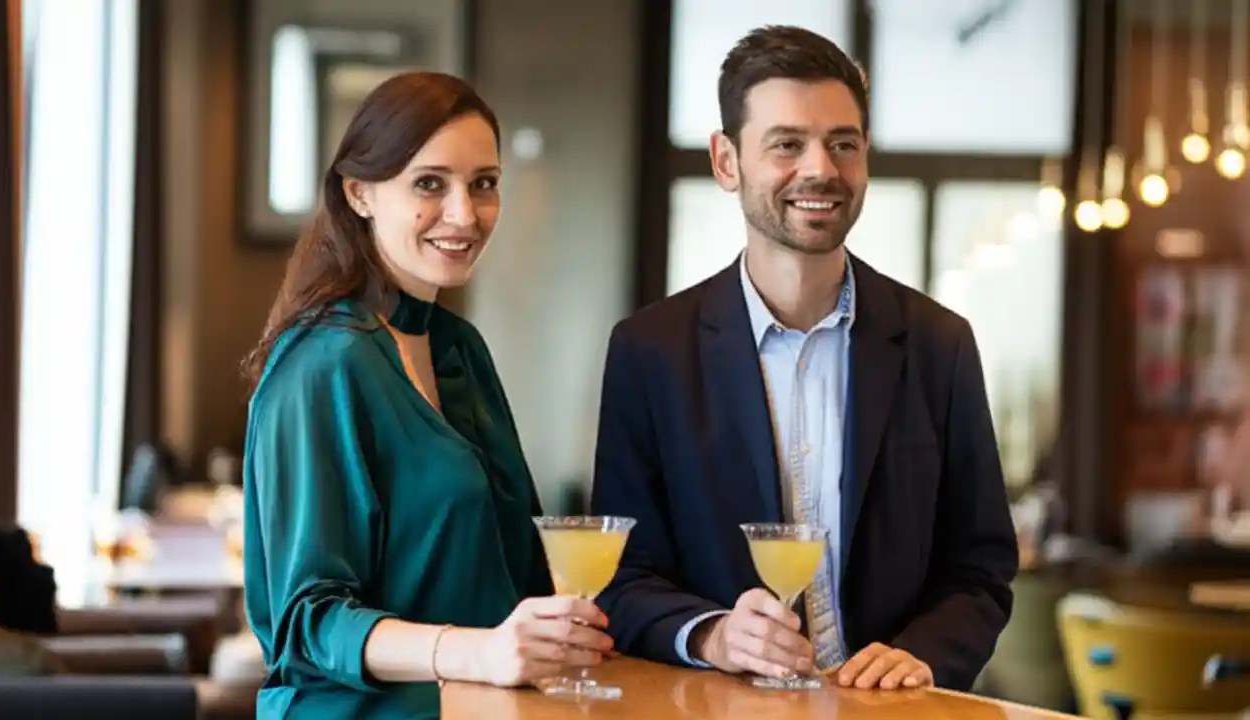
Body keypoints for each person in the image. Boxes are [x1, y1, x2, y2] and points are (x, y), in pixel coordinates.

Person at [590, 25, 1017, 693]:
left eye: (843, 144)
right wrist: (711, 633)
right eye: (787, 144)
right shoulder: (651, 351)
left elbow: (981, 567)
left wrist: (923, 654)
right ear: (726, 161)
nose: (821, 169)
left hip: (889, 710)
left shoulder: (940, 343)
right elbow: (621, 573)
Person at [240, 71, 612, 719]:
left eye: (484, 184)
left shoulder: (459, 348)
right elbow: (306, 622)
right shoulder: (322, 362)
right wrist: (481, 653)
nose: (465, 214)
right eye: (429, 184)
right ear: (359, 193)